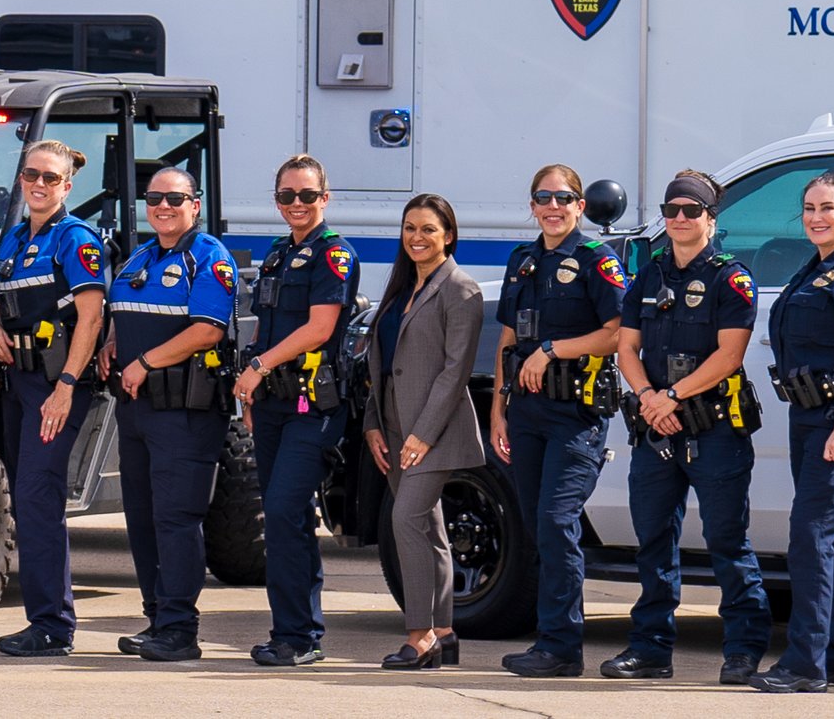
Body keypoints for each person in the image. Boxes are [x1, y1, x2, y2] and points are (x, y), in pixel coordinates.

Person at [603, 171, 770, 685]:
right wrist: (648, 398)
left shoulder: (730, 278)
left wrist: (671, 396)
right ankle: (650, 649)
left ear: (710, 219)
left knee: (726, 540)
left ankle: (742, 650)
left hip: (714, 430)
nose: (679, 218)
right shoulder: (648, 276)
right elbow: (626, 348)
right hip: (656, 428)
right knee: (653, 540)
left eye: (691, 210)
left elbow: (729, 355)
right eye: (671, 209)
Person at [751, 166, 834, 694]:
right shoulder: (815, 267)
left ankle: (805, 665)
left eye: (827, 208)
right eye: (809, 209)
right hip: (808, 414)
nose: (815, 217)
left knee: (809, 534)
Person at [491, 163, 625, 678]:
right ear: (532, 206)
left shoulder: (597, 260)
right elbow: (508, 340)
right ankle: (550, 641)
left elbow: (617, 333)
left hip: (576, 415)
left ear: (580, 206)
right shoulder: (522, 261)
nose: (553, 207)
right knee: (536, 526)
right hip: (525, 413)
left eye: (564, 198)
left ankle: (562, 647)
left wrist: (551, 350)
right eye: (543, 198)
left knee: (556, 520)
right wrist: (498, 410)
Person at [229, 153, 359, 666]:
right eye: (287, 195)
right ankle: (296, 631)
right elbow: (265, 326)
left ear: (325, 198)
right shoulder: (279, 253)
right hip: (274, 403)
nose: (296, 204)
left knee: (284, 510)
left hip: (314, 406)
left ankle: (299, 636)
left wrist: (258, 367)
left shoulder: (334, 254)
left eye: (307, 195)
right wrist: (255, 389)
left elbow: (320, 328)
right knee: (288, 517)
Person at [0, 139, 106, 658]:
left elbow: (92, 317)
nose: (39, 184)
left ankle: (53, 626)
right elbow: (1, 302)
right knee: (27, 499)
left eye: (50, 178)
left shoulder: (75, 239)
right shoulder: (14, 237)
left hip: (56, 386)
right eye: (32, 174)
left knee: (38, 496)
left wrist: (66, 387)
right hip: (20, 383)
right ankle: (43, 619)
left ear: (67, 185)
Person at [105, 167, 234, 663]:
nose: (163, 206)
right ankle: (157, 618)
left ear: (194, 205)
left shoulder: (208, 256)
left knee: (176, 518)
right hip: (137, 409)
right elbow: (122, 311)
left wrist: (142, 362)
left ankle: (181, 629)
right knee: (142, 519)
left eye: (175, 199)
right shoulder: (140, 256)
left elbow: (208, 330)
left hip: (184, 411)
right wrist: (112, 343)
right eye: (154, 198)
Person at [363, 192, 485, 671]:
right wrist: (374, 424)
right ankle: (446, 633)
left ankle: (420, 637)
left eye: (429, 229)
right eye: (410, 228)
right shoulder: (400, 288)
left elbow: (456, 371)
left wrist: (423, 435)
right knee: (429, 529)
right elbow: (382, 363)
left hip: (434, 431)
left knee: (407, 521)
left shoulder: (461, 289)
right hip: (393, 426)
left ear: (448, 236)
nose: (417, 237)